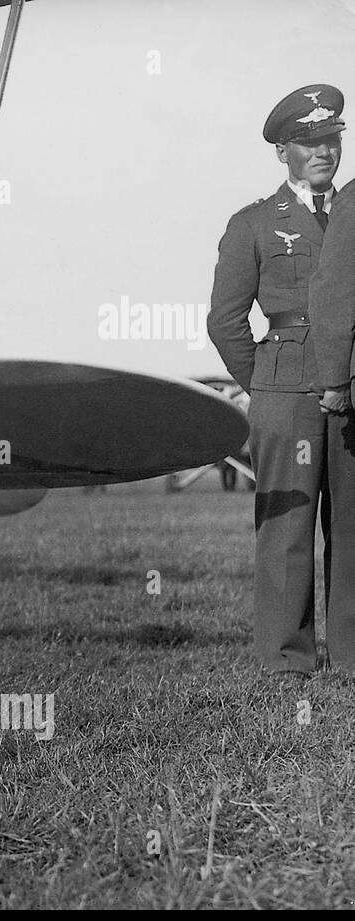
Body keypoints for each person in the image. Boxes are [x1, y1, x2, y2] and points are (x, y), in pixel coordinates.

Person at [207, 84, 351, 677]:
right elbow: (225, 320)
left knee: (352, 527)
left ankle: (350, 660)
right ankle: (286, 663)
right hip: (283, 394)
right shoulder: (255, 223)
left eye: (331, 139)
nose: (323, 151)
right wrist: (266, 380)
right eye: (308, 142)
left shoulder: (352, 212)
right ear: (282, 152)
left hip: (351, 389)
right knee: (286, 531)